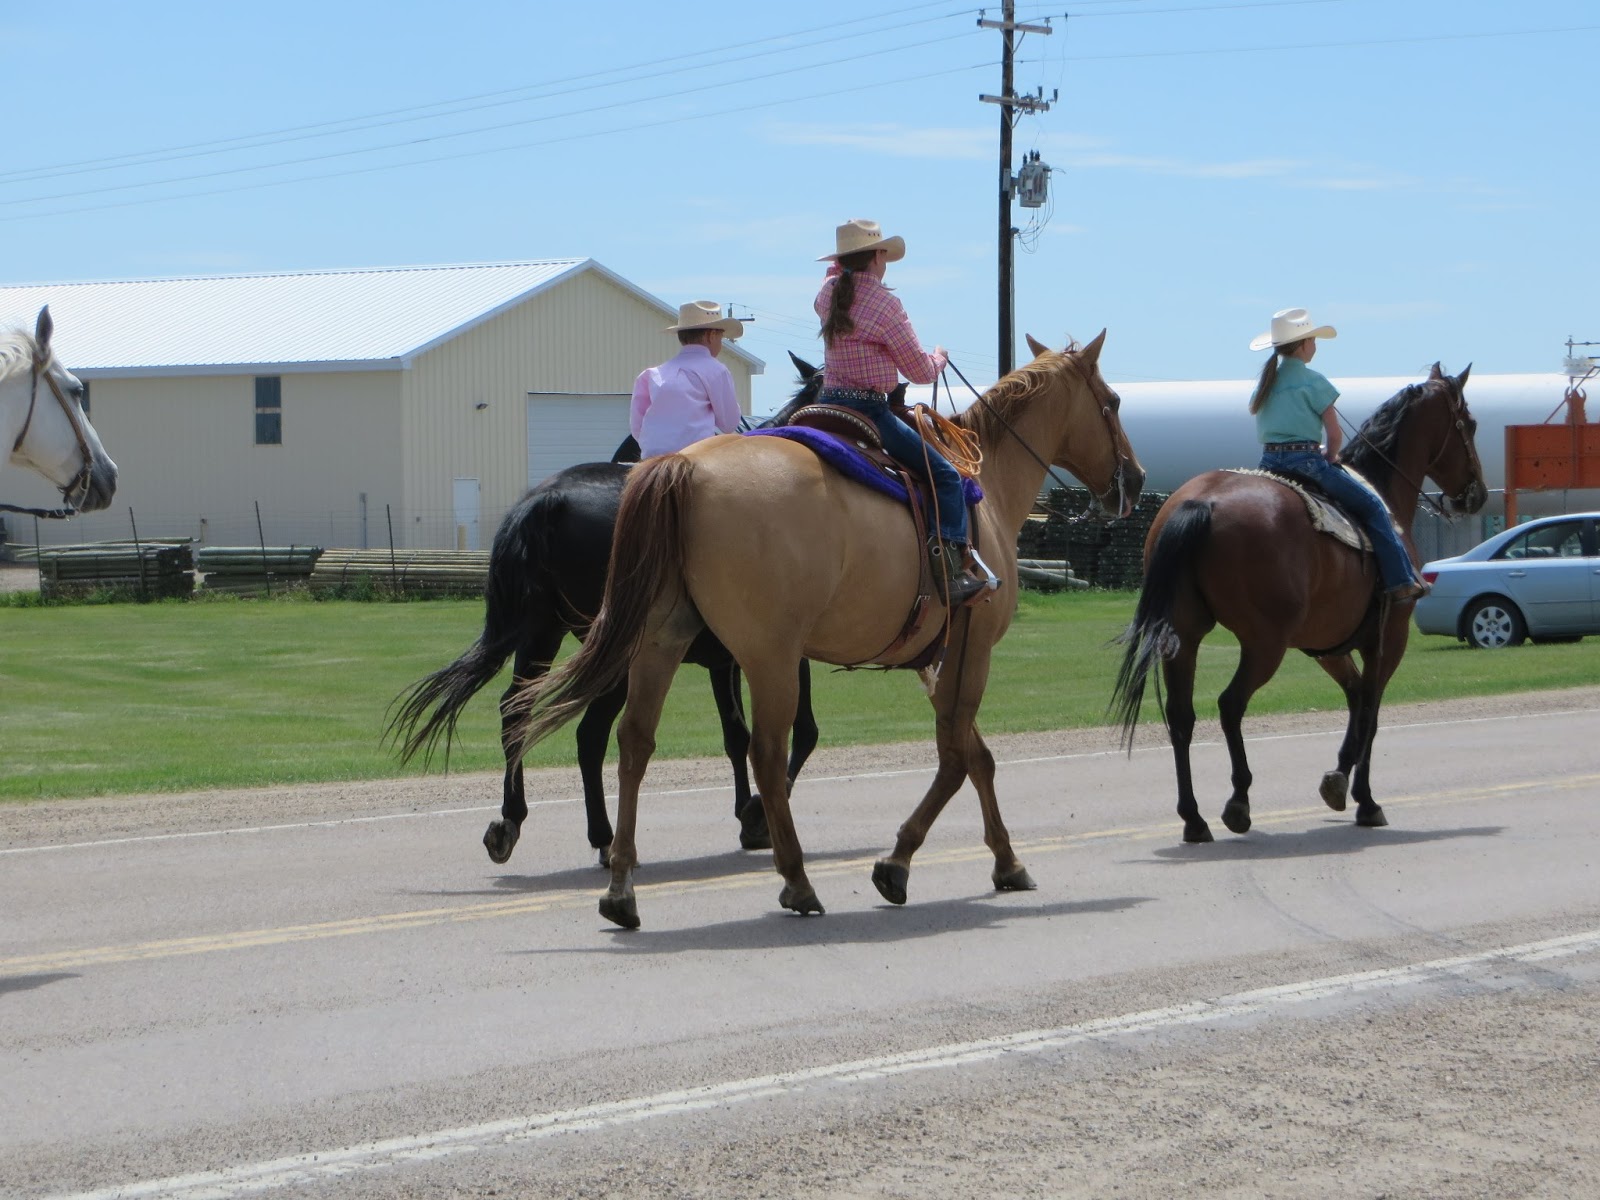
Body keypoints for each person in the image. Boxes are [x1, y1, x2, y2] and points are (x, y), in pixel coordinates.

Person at [812, 218, 994, 607]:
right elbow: (920, 371)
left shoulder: (827, 293)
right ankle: (950, 572)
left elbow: (833, 285)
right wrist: (939, 358)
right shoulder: (885, 303)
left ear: (841, 260)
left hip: (825, 404)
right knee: (946, 476)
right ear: (879, 256)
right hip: (869, 410)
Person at [1249, 307, 1428, 602]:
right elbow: (1334, 435)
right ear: (1303, 344)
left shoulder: (1266, 383)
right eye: (1313, 340)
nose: (1315, 345)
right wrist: (1331, 456)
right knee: (1373, 506)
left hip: (1268, 463)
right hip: (1306, 463)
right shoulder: (1314, 381)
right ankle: (1400, 580)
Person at [629, 301, 744, 459]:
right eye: (721, 338)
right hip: (694, 458)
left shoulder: (651, 375)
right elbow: (729, 423)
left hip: (653, 458)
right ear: (711, 335)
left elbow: (637, 428)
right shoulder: (716, 371)